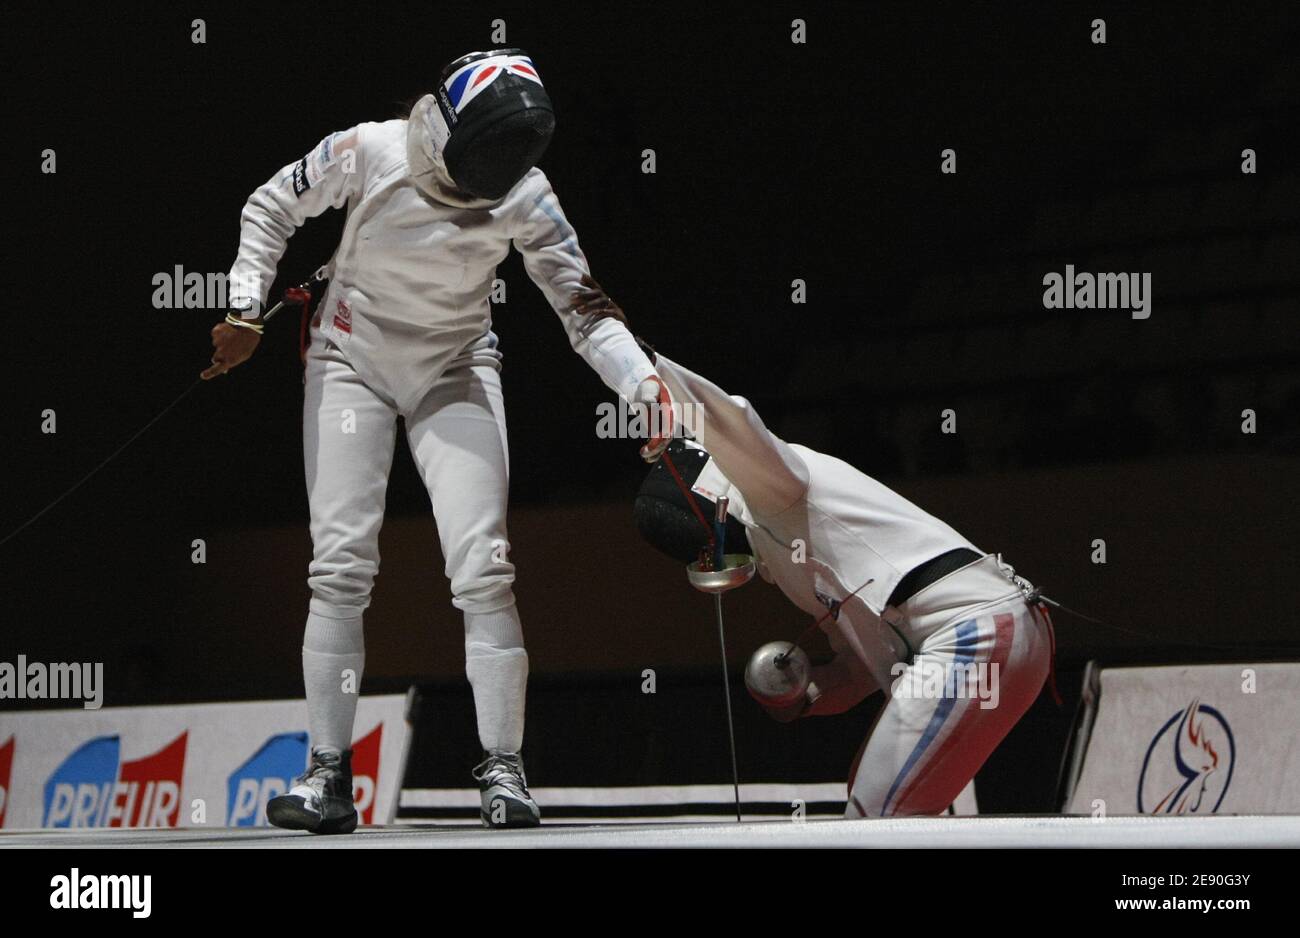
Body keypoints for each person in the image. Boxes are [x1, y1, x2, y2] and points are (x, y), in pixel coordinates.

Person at [204, 48, 669, 832]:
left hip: (456, 365)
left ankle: (505, 770)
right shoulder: (372, 148)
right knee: (339, 566)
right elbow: (269, 204)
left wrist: (645, 389)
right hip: (349, 360)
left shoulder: (527, 193)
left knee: (484, 565)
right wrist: (246, 307)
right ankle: (325, 776)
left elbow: (585, 310)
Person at [631, 343, 1056, 817]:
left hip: (975, 632)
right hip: (989, 637)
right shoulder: (782, 557)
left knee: (874, 821)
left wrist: (637, 358)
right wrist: (800, 692)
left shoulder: (773, 483)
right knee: (875, 804)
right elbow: (858, 671)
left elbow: (730, 417)